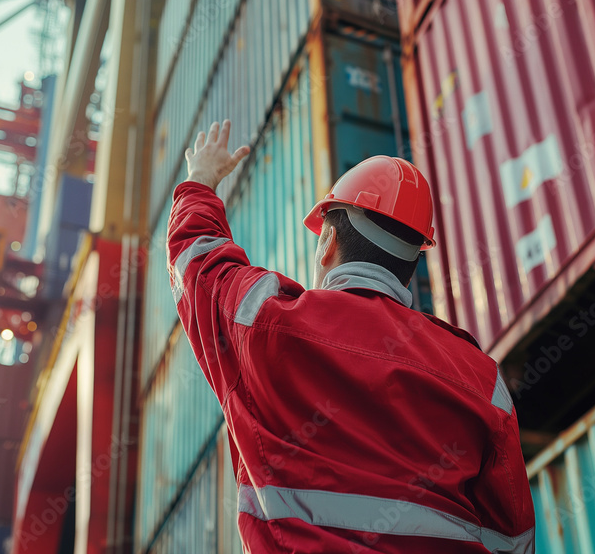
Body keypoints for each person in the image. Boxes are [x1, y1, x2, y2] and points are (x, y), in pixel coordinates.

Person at [168, 120, 535, 553]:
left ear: (327, 243)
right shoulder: (481, 377)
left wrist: (200, 181)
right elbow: (513, 538)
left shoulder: (265, 321)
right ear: (411, 264)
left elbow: (197, 263)